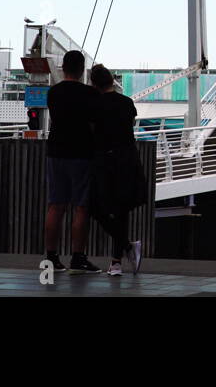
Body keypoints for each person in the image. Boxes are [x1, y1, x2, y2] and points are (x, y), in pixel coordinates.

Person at [44, 50, 102, 274]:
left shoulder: (53, 93)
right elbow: (96, 122)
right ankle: (78, 257)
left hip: (55, 151)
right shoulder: (90, 94)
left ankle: (51, 257)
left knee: (55, 205)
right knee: (80, 206)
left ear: (63, 68)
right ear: (81, 70)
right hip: (81, 153)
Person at [89, 64, 145, 276]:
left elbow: (92, 132)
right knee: (122, 209)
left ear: (94, 84)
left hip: (104, 160)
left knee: (97, 208)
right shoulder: (127, 103)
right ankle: (116, 262)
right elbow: (128, 125)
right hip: (127, 159)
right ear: (112, 81)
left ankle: (126, 251)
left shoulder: (94, 105)